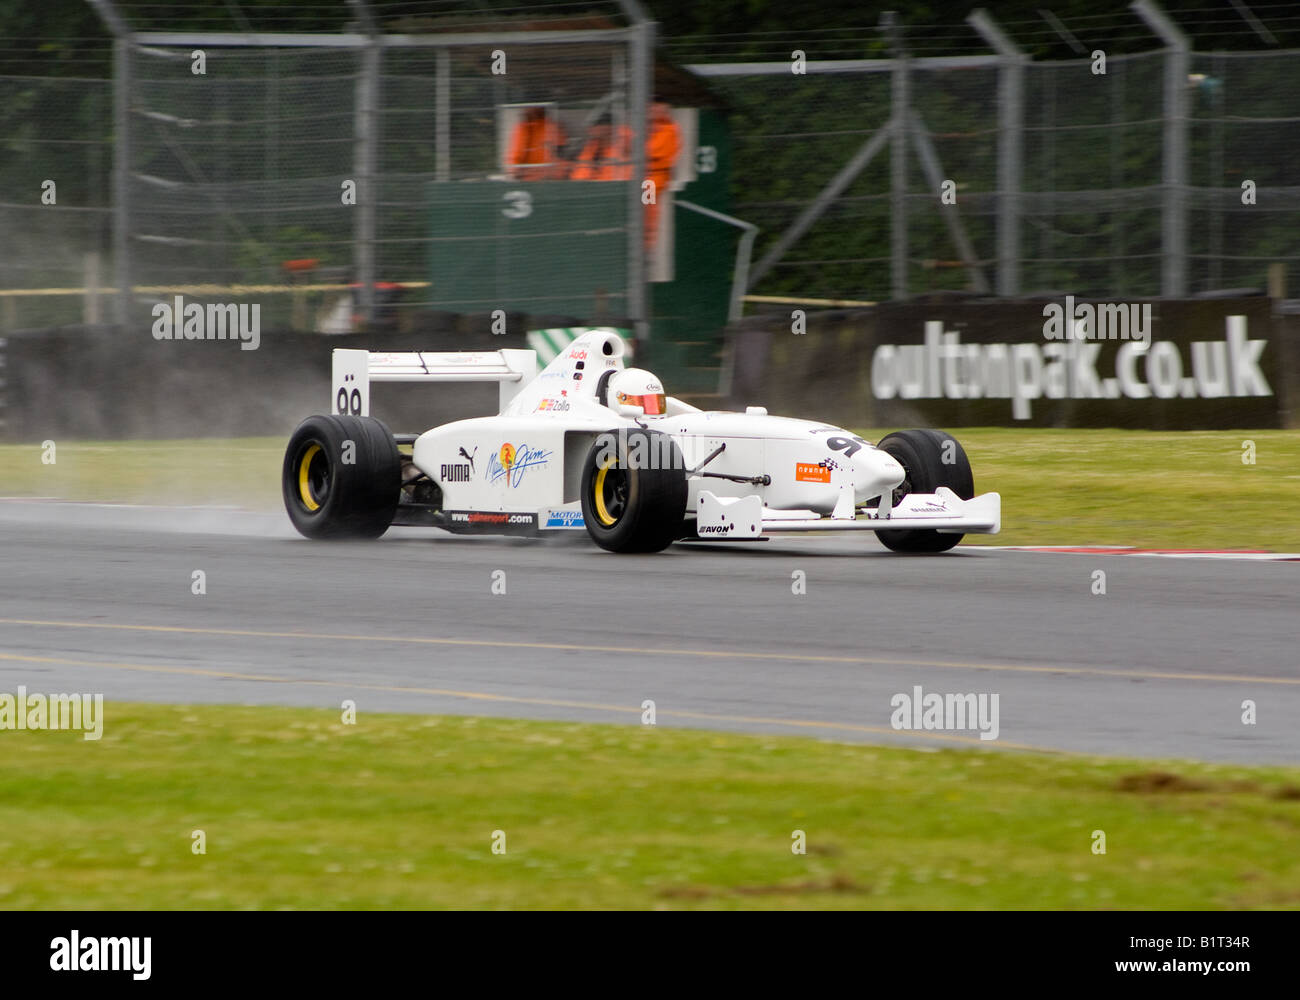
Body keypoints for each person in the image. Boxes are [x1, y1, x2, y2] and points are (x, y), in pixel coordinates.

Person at [644, 101, 681, 249]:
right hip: (645, 175)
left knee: (648, 210)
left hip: (654, 178)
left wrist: (651, 132)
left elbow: (651, 152)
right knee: (644, 209)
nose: (651, 112)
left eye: (655, 109)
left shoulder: (669, 129)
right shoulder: (651, 128)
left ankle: (647, 244)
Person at [505, 106, 567, 180]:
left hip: (548, 179)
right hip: (527, 179)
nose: (527, 110)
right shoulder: (521, 129)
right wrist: (515, 172)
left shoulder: (552, 128)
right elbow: (514, 158)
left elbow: (560, 158)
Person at [569, 113, 633, 181]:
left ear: (608, 127)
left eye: (596, 126)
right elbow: (579, 174)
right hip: (597, 184)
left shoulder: (624, 138)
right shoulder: (593, 144)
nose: (590, 131)